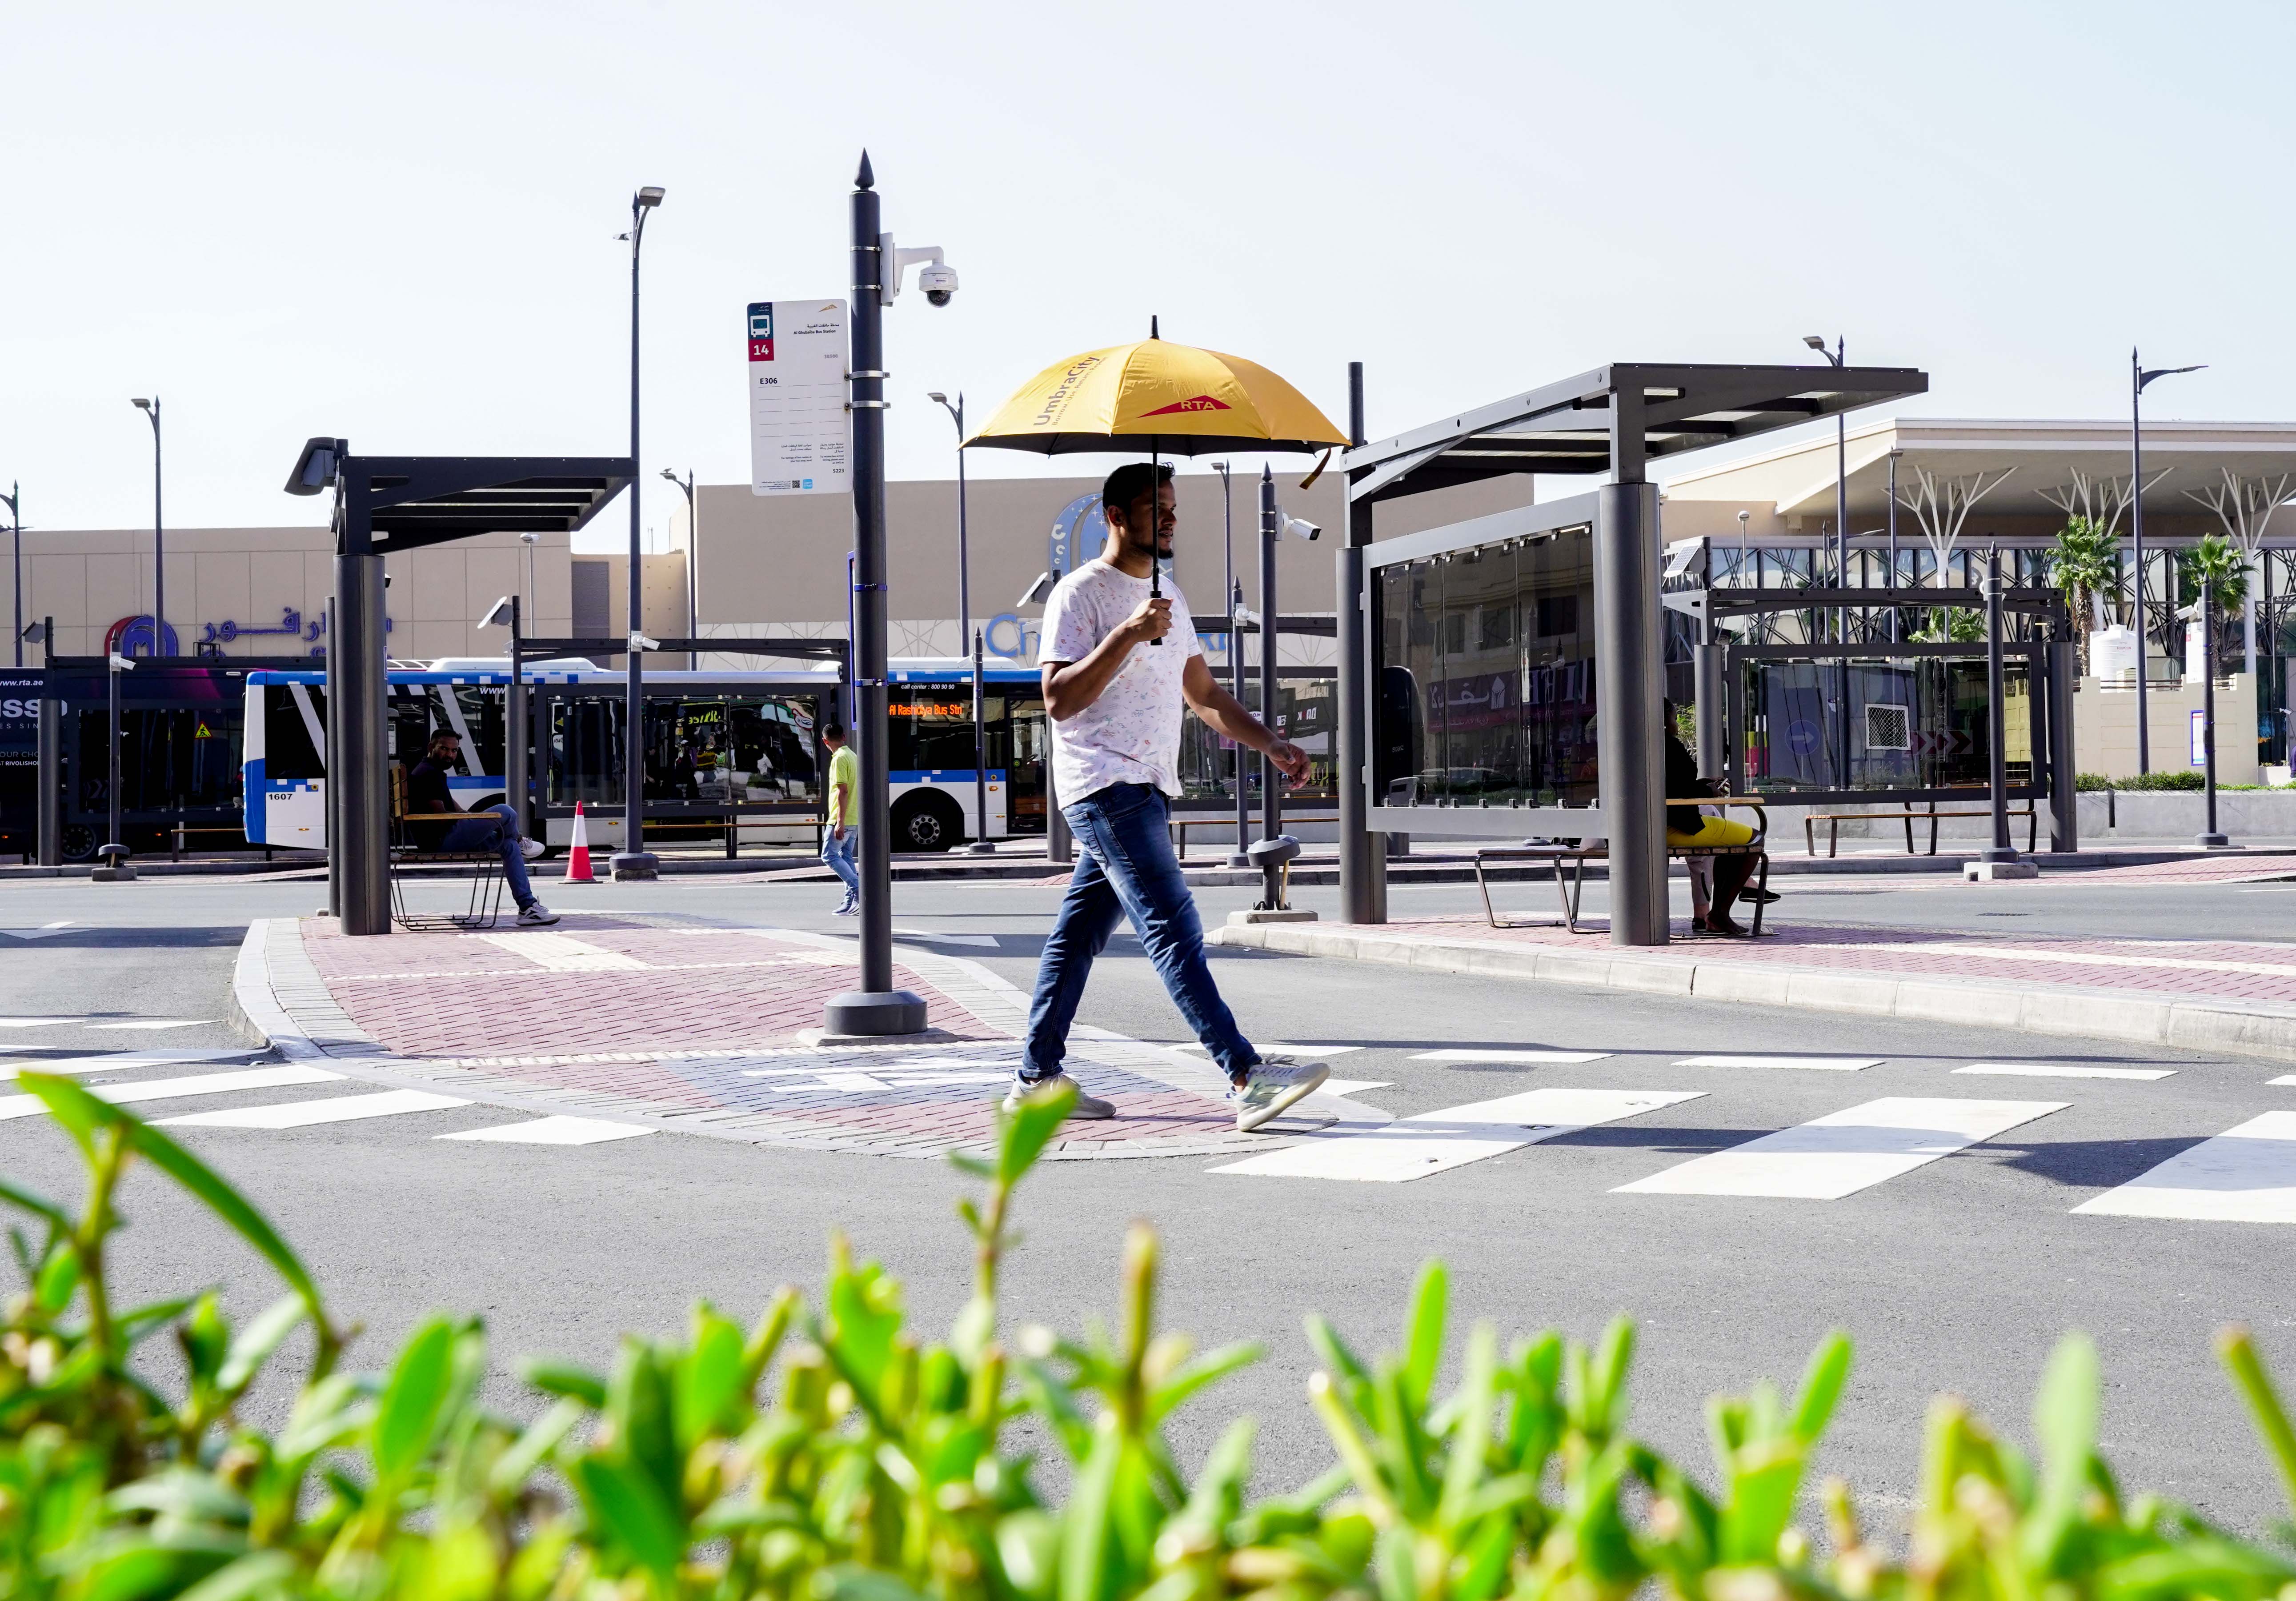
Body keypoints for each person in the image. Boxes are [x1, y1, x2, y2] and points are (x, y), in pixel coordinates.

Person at [1013, 462, 1330, 1133]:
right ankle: (1244, 1075)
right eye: (1155, 507)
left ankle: (1038, 1077)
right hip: (1104, 782)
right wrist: (1126, 633)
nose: (1170, 518)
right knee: (1173, 926)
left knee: (1076, 939)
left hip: (1148, 784)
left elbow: (1205, 696)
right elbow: (1058, 701)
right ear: (1115, 517)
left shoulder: (1172, 599)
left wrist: (1270, 743)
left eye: (1173, 506)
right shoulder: (1081, 594)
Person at [404, 731, 557, 926]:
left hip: (446, 835)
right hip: (442, 839)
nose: (450, 755)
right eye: (444, 749)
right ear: (430, 748)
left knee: (508, 847)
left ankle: (528, 908)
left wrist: (471, 818)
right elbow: (441, 817)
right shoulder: (427, 774)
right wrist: (474, 820)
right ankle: (520, 841)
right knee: (505, 811)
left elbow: (451, 804)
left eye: (454, 751)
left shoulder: (433, 771)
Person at [1661, 703, 1759, 936]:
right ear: (1665, 721)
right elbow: (1678, 792)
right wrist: (1710, 793)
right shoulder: (1669, 746)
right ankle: (1719, 914)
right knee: (1754, 841)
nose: (1676, 723)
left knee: (1729, 845)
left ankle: (1720, 910)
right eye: (1675, 717)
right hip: (1678, 827)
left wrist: (1703, 785)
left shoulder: (1638, 746)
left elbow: (1669, 786)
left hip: (1654, 824)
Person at [821, 723, 860, 916]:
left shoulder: (838, 759)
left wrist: (839, 821)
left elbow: (842, 791)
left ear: (825, 741)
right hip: (855, 816)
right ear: (844, 737)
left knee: (828, 855)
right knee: (846, 856)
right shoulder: (853, 756)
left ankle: (859, 890)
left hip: (841, 817)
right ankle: (850, 901)